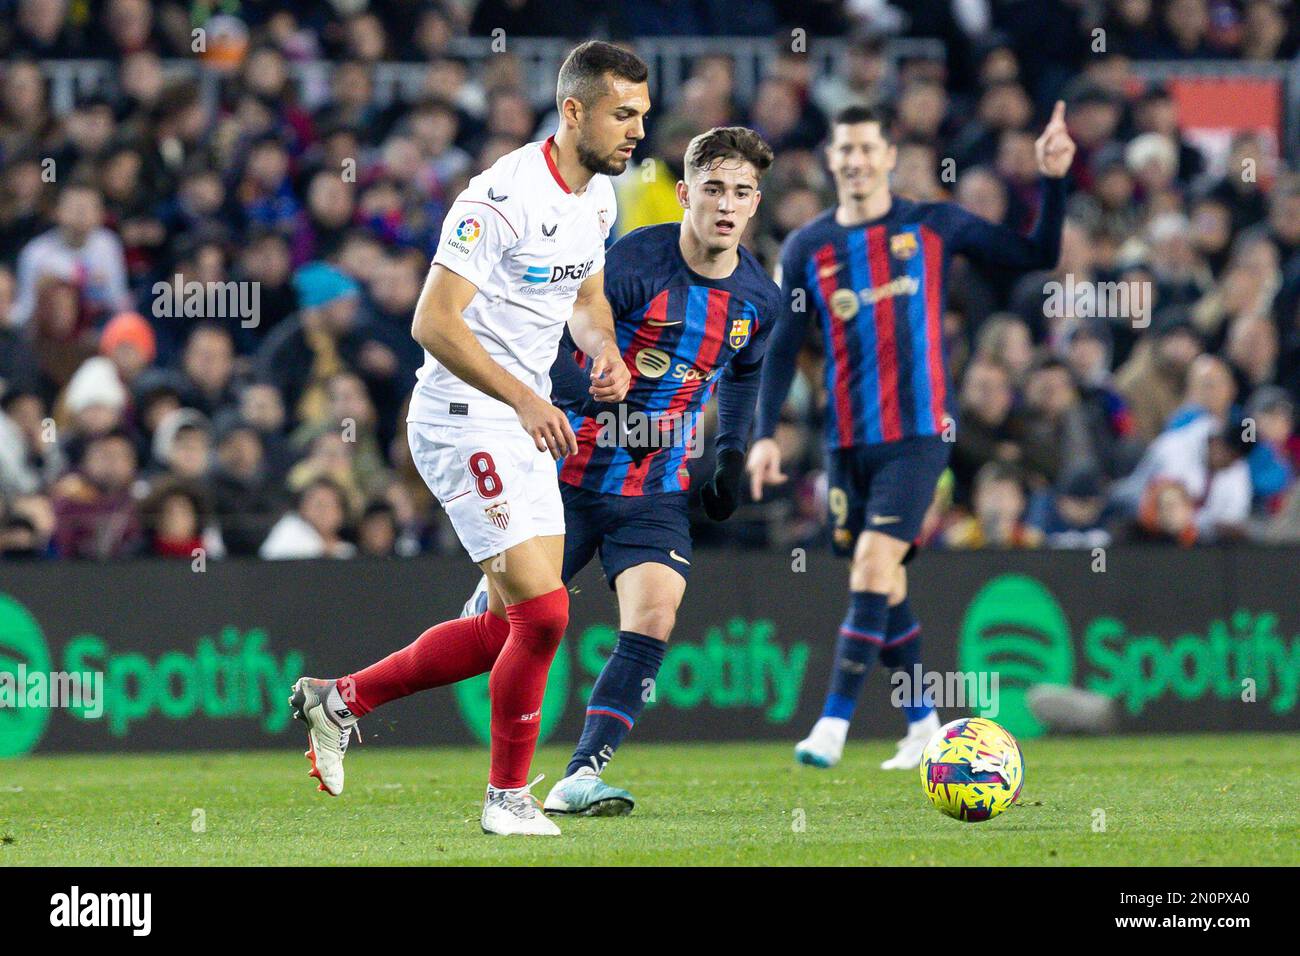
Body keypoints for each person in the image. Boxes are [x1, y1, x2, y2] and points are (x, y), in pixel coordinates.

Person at [288, 40, 646, 837]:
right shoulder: (501, 196)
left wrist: (604, 350)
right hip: (462, 417)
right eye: (623, 115)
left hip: (522, 421)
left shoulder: (596, 201)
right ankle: (507, 800)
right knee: (546, 616)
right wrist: (525, 397)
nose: (636, 132)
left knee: (511, 626)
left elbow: (586, 298)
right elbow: (432, 322)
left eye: (643, 116)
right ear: (574, 111)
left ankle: (336, 699)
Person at [462, 126, 778, 817]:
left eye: (743, 193)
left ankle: (580, 775)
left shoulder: (759, 298)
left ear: (756, 203)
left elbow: (746, 371)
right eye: (715, 189)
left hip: (654, 493)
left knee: (656, 615)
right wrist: (614, 406)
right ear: (686, 194)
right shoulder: (633, 263)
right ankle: (357, 696)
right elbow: (553, 349)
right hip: (565, 479)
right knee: (495, 631)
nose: (727, 205)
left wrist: (729, 457)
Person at [748, 101, 1074, 770]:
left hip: (920, 435)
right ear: (834, 159)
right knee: (882, 580)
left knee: (873, 565)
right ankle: (923, 722)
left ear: (889, 157)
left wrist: (1052, 181)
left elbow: (1034, 253)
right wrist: (762, 435)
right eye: (846, 150)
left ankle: (832, 725)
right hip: (845, 444)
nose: (857, 160)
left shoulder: (932, 224)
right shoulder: (808, 246)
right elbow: (783, 346)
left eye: (869, 148)